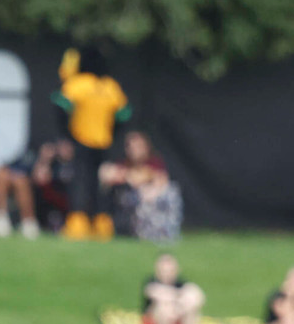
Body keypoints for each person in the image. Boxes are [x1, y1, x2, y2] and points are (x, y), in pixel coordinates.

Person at [53, 46, 130, 241]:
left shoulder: (79, 84)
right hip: (104, 143)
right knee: (101, 186)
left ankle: (77, 224)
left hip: (81, 141)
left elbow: (60, 105)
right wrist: (113, 132)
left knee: (80, 183)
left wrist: (66, 136)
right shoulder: (111, 86)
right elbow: (125, 114)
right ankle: (102, 225)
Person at [101, 131, 183, 242]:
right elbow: (106, 173)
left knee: (171, 191)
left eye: (138, 147)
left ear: (146, 147)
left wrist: (143, 178)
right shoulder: (124, 163)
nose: (134, 150)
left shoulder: (154, 162)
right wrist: (132, 176)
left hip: (152, 206)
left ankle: (164, 231)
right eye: (131, 147)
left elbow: (161, 179)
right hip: (130, 209)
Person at [30, 138, 75, 231]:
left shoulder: (77, 164)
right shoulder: (52, 163)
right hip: (49, 201)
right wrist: (44, 161)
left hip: (69, 203)